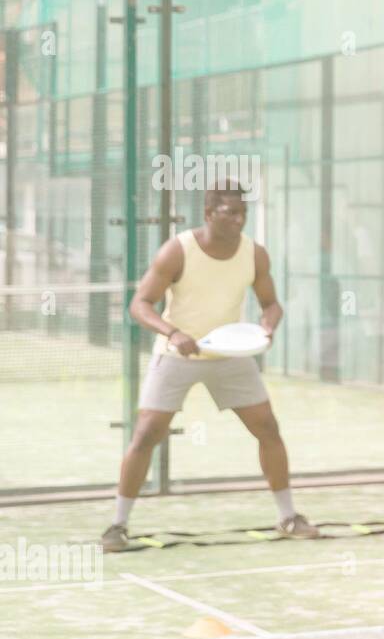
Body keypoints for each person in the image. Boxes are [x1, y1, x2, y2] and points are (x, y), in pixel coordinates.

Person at [100, 181, 319, 552]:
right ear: (208, 214)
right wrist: (173, 333)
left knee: (267, 428)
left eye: (243, 213)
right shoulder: (177, 251)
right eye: (229, 212)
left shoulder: (255, 254)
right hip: (176, 355)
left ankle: (288, 517)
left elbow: (271, 303)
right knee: (146, 434)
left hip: (229, 356)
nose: (238, 220)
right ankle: (117, 526)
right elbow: (140, 304)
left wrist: (267, 326)